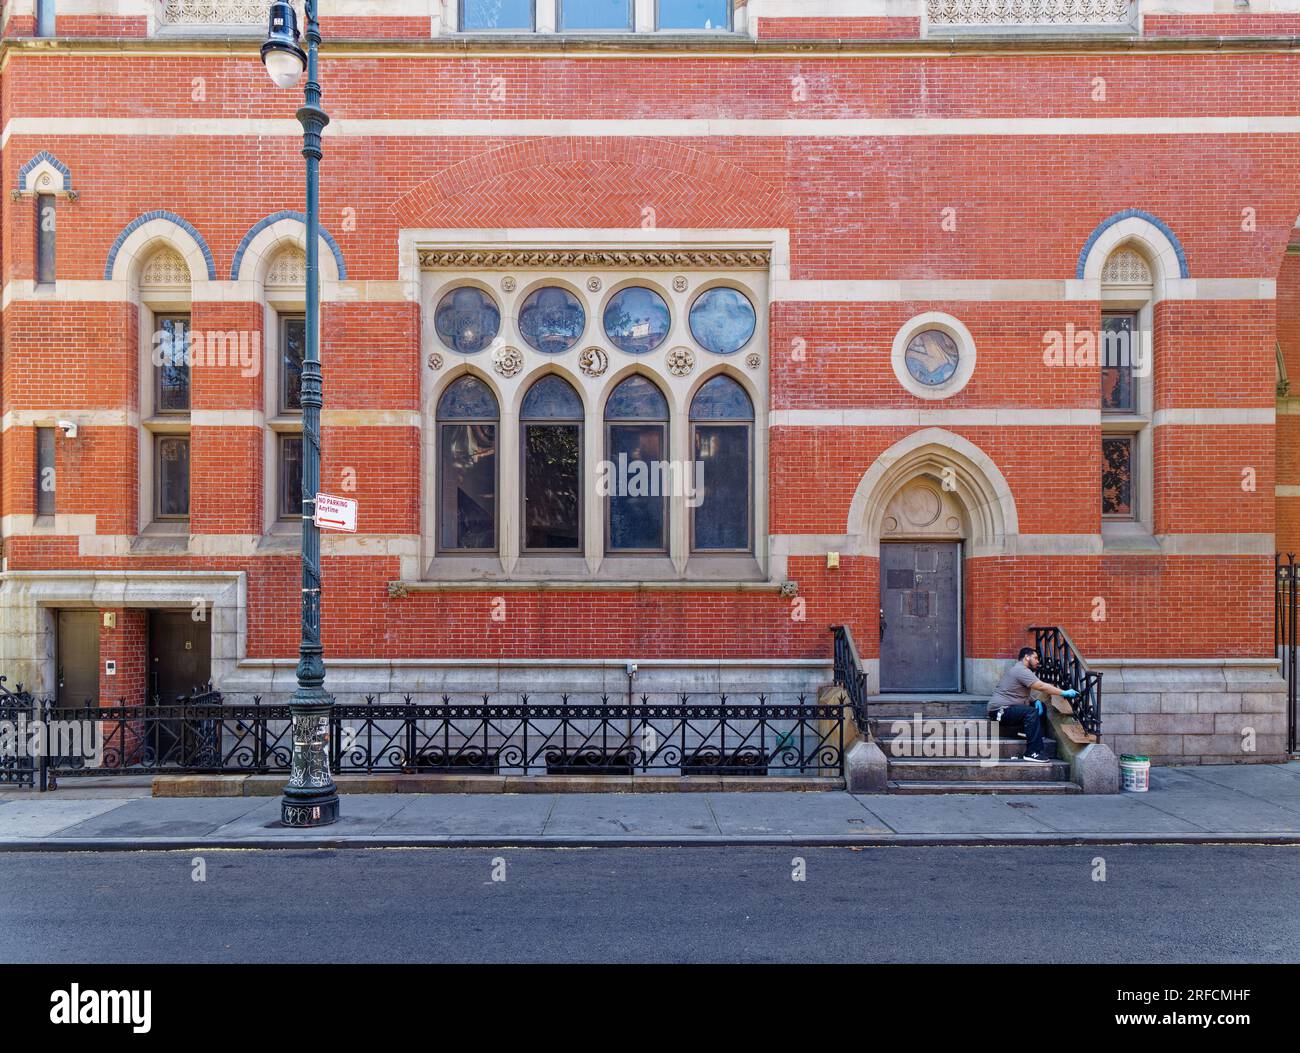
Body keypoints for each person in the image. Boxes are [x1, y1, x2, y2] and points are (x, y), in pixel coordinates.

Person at [988, 647, 1078, 763]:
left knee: (1040, 706)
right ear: (1027, 657)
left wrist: (1034, 701)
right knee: (1030, 712)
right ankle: (1032, 752)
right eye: (1035, 658)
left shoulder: (1020, 670)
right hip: (998, 711)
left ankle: (1031, 734)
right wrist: (1063, 692)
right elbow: (1041, 686)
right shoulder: (1021, 670)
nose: (1037, 661)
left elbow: (1017, 693)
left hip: (1008, 709)